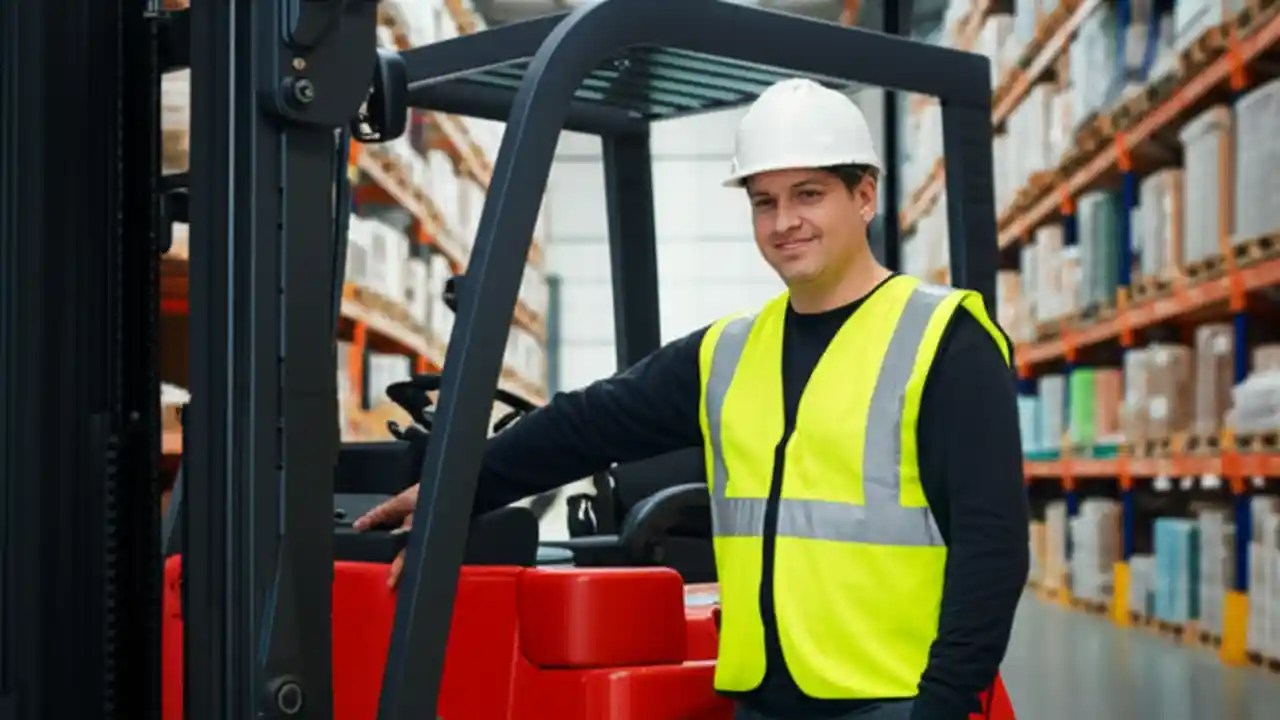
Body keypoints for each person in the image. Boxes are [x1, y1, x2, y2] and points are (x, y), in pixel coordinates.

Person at [355, 78, 1030, 720]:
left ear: (864, 196)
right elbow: (590, 422)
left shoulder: (944, 340)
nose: (785, 221)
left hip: (896, 699)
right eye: (764, 202)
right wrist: (457, 489)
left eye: (809, 194)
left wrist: (943, 706)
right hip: (764, 699)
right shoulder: (733, 351)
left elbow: (992, 549)